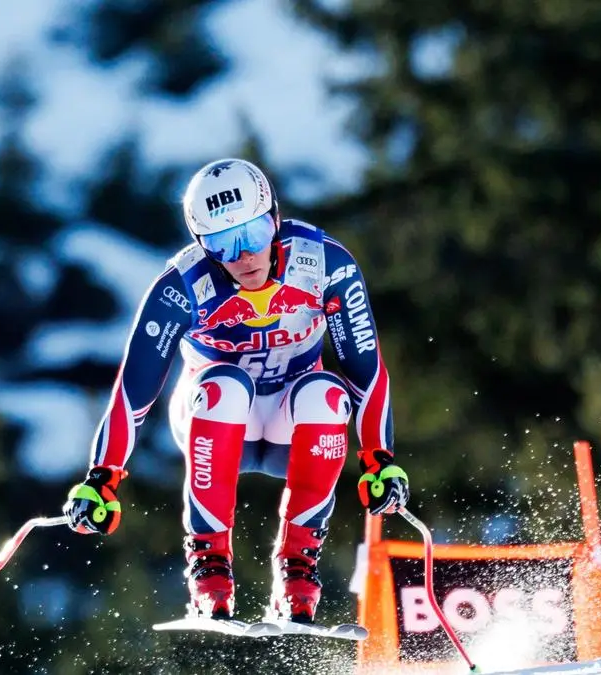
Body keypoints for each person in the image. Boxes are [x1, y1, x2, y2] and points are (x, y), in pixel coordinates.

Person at [61, 158, 410, 624]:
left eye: (254, 234)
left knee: (326, 395)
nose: (245, 256)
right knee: (228, 385)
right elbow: (133, 389)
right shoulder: (182, 286)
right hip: (216, 418)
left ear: (276, 220)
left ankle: (298, 568)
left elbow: (365, 370)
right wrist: (102, 477)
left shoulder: (325, 264)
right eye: (224, 244)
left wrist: (379, 458)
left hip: (292, 421)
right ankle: (208, 565)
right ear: (203, 246)